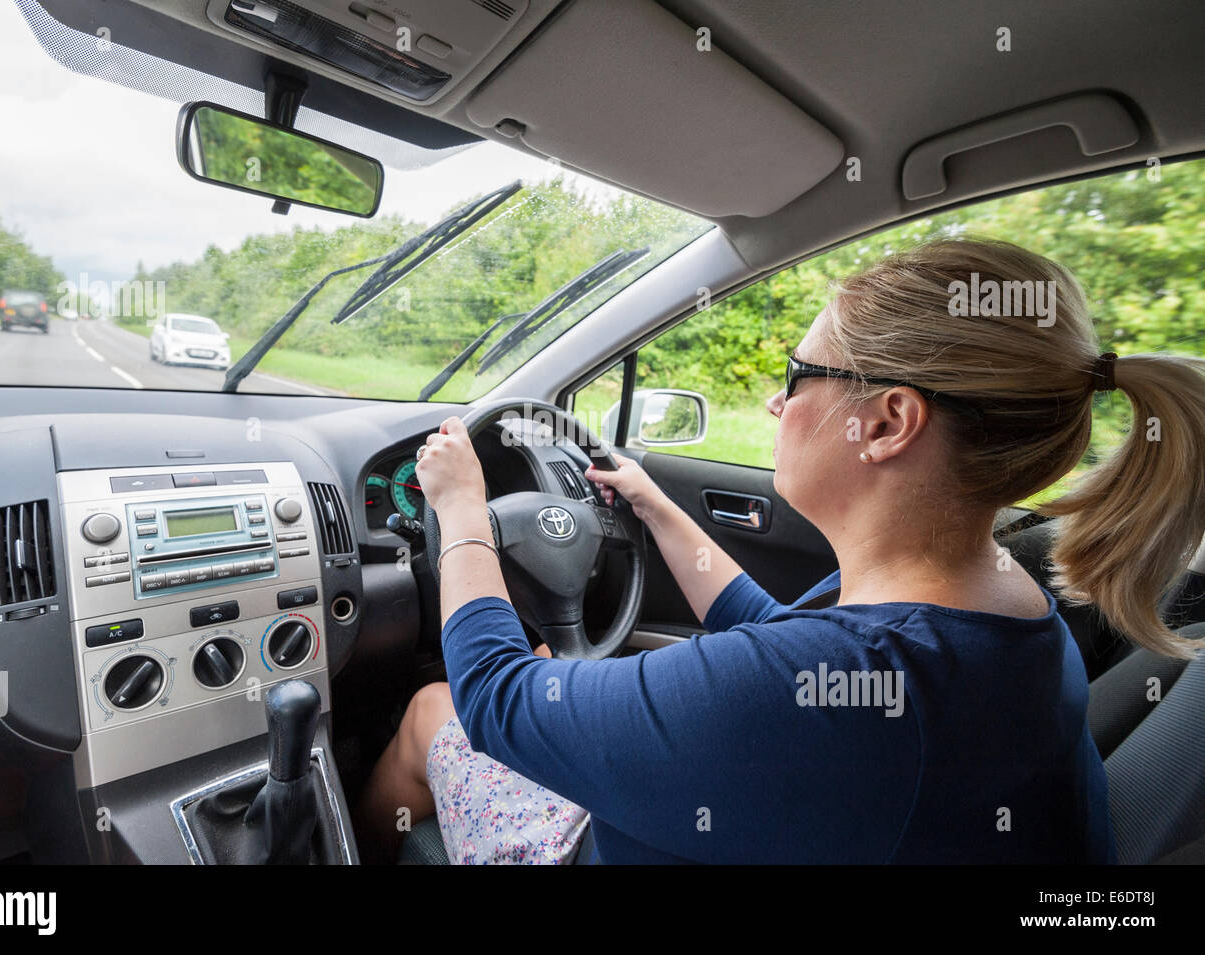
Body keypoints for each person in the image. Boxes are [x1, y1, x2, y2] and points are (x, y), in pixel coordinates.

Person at [354, 238, 1205, 864]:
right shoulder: (1004, 605)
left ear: (886, 422)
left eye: (800, 375)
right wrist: (655, 508)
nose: (773, 403)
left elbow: (500, 699)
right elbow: (779, 633)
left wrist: (463, 509)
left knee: (437, 709)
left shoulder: (842, 687)